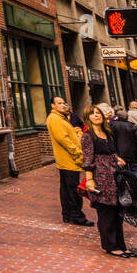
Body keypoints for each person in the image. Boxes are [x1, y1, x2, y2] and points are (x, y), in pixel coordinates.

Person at [82, 104, 130, 258]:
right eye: (93, 113)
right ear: (88, 117)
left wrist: (117, 159)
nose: (96, 115)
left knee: (117, 211)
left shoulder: (107, 132)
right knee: (106, 212)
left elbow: (112, 151)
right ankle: (110, 245)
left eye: (98, 113)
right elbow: (88, 158)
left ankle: (121, 244)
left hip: (114, 175)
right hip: (100, 176)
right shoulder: (88, 136)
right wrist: (89, 180)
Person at [46, 96, 92, 227]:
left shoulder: (61, 118)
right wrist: (77, 154)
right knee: (72, 190)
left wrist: (76, 133)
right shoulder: (55, 119)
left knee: (66, 189)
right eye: (59, 103)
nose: (62, 105)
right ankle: (77, 216)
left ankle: (68, 214)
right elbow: (63, 139)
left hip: (68, 159)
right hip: (69, 160)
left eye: (63, 103)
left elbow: (68, 136)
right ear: (53, 106)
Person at [110, 105, 137, 192]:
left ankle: (125, 189)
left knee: (122, 171)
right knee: (136, 170)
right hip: (133, 154)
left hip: (119, 153)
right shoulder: (132, 126)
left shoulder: (112, 125)